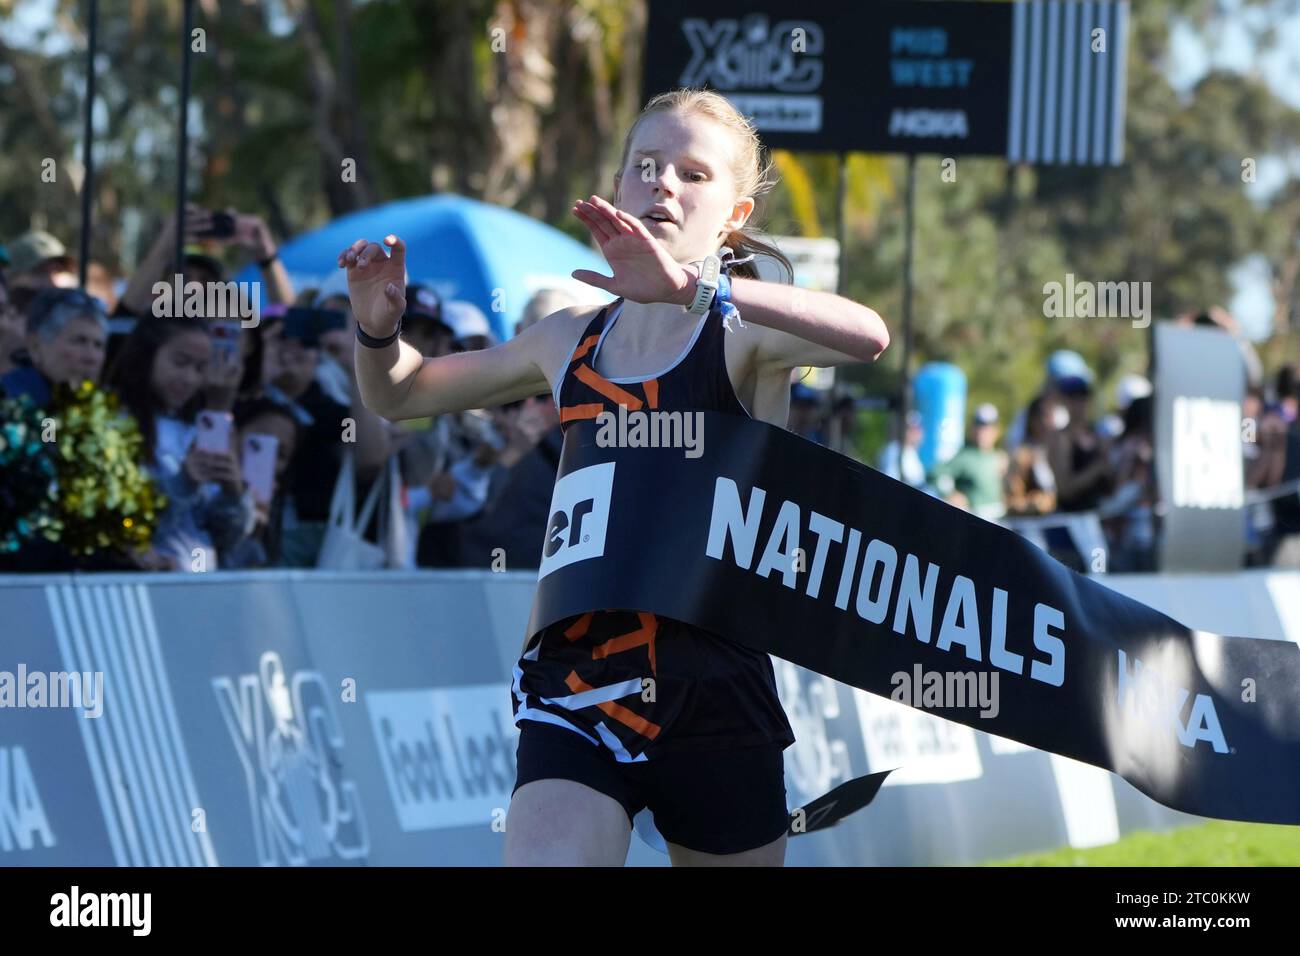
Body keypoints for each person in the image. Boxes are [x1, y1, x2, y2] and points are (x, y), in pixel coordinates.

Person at [339, 88, 889, 867]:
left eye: (693, 173)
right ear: (621, 186)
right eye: (646, 165)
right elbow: (399, 392)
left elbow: (868, 335)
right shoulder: (566, 339)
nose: (663, 182)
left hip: (717, 684)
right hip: (579, 681)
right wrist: (376, 327)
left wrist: (696, 289)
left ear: (733, 214)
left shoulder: (742, 333)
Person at [106, 317, 255, 571]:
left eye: (200, 369)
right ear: (146, 355)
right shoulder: (113, 425)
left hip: (198, 585)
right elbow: (121, 521)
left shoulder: (197, 427)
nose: (189, 378)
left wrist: (234, 494)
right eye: (180, 363)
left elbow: (227, 537)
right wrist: (183, 483)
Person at [0, 288, 109, 405]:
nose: (91, 357)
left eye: (99, 345)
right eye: (79, 341)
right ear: (35, 346)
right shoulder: (9, 404)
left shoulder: (103, 407)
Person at [929, 403, 1008, 520]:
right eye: (979, 426)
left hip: (1001, 518)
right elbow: (936, 474)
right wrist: (949, 493)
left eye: (987, 427)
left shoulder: (998, 456)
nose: (983, 431)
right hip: (978, 519)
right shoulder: (965, 456)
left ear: (996, 431)